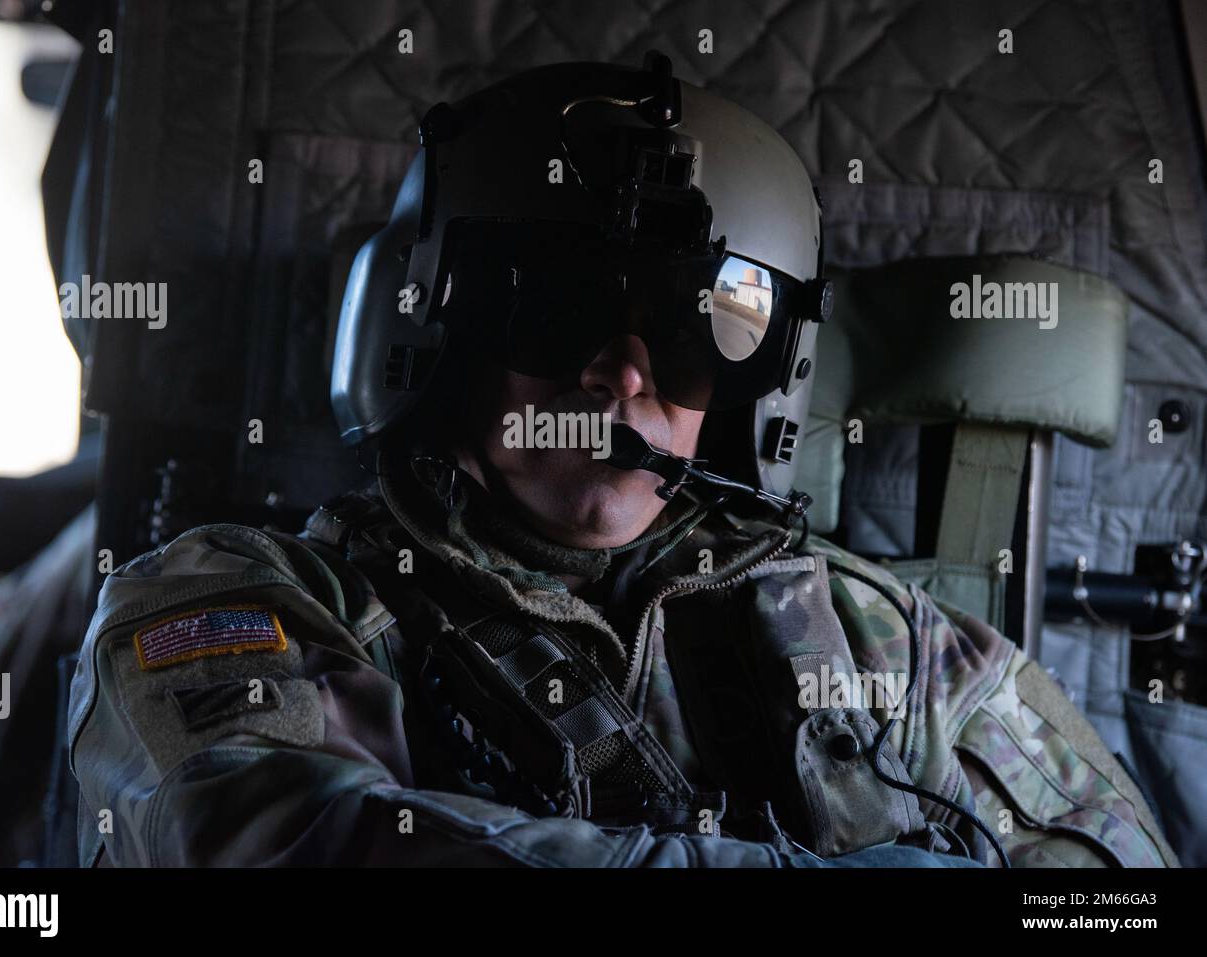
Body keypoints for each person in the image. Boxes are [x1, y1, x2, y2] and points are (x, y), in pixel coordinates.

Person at [67, 56, 1175, 868]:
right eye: (554, 311)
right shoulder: (238, 597)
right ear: (434, 344)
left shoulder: (879, 643)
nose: (621, 377)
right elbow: (268, 839)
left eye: (693, 330)